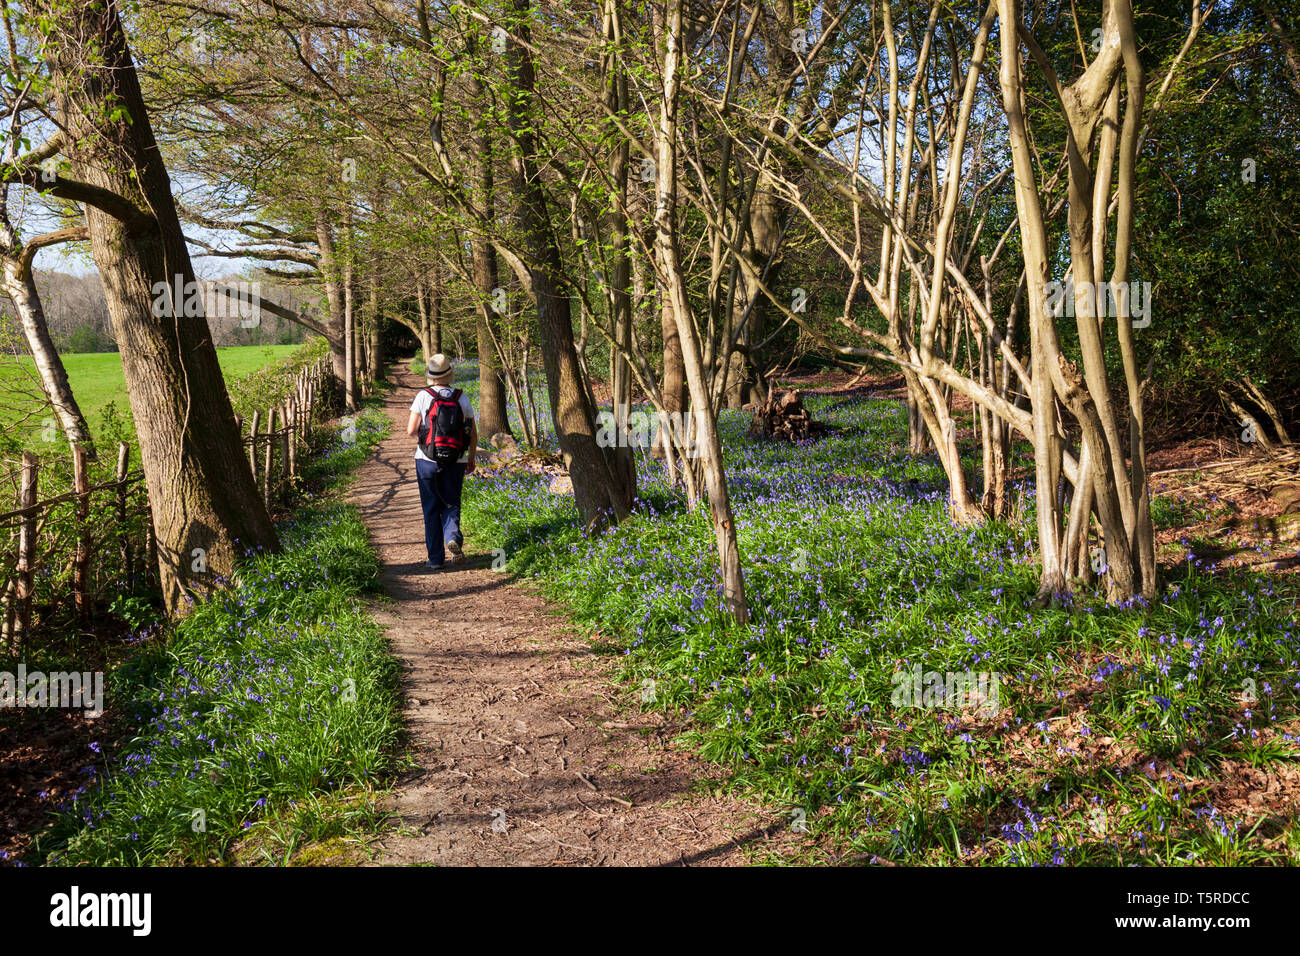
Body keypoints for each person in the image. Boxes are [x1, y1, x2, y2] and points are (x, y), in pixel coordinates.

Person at [406, 354, 477, 570]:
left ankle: (435, 559)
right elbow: (472, 433)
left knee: (430, 508)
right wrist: (470, 458)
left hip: (426, 460)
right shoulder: (461, 397)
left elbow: (410, 430)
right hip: (456, 459)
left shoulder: (423, 396)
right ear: (449, 374)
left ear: (430, 375)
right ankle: (452, 536)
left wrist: (427, 441)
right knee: (451, 502)